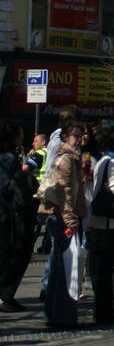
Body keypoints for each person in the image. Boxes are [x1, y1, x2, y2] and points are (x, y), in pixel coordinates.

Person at [41, 115, 88, 327]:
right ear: (66, 137)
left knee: (62, 267)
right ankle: (61, 314)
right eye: (75, 136)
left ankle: (56, 313)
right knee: (65, 269)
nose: (79, 140)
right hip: (64, 219)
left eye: (81, 136)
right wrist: (71, 220)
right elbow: (65, 192)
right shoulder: (67, 159)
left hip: (64, 217)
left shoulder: (70, 157)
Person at [87, 125, 114, 325]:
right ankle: (105, 312)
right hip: (109, 224)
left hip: (100, 223)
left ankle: (102, 311)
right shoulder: (113, 162)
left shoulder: (103, 160)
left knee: (101, 270)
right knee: (105, 270)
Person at [0, 122, 38, 313]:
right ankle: (5, 295)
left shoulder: (9, 157)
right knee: (14, 253)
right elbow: (7, 187)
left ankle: (6, 295)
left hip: (8, 213)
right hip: (8, 214)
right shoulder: (8, 159)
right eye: (20, 134)